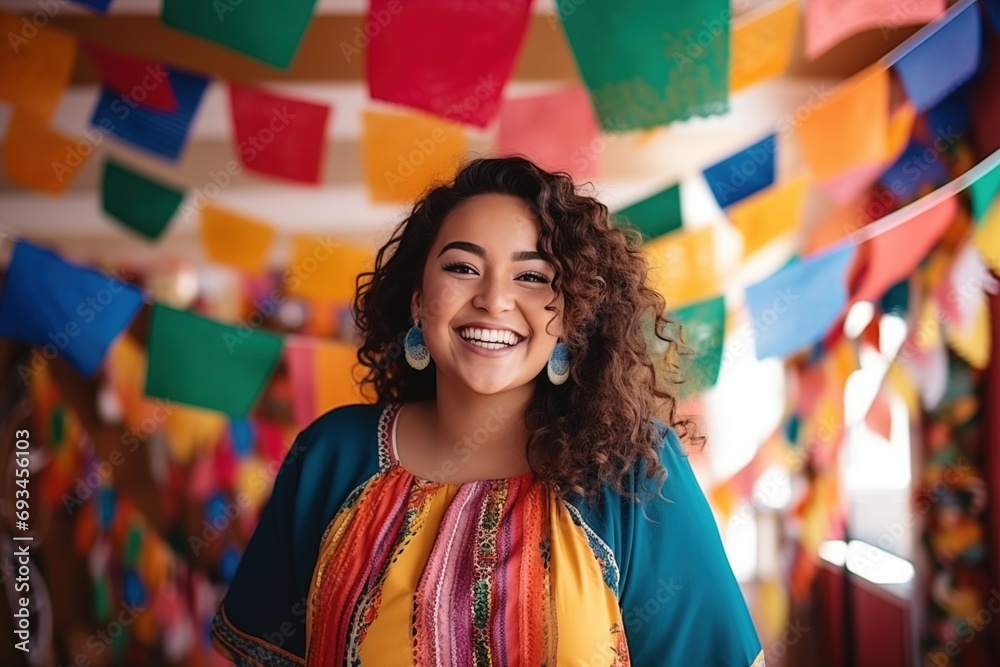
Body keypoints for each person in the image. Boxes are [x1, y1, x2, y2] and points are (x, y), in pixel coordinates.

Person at [210, 157, 765, 666]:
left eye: (531, 276)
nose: (494, 299)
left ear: (570, 315)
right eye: (462, 268)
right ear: (417, 298)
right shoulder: (330, 455)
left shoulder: (632, 470)